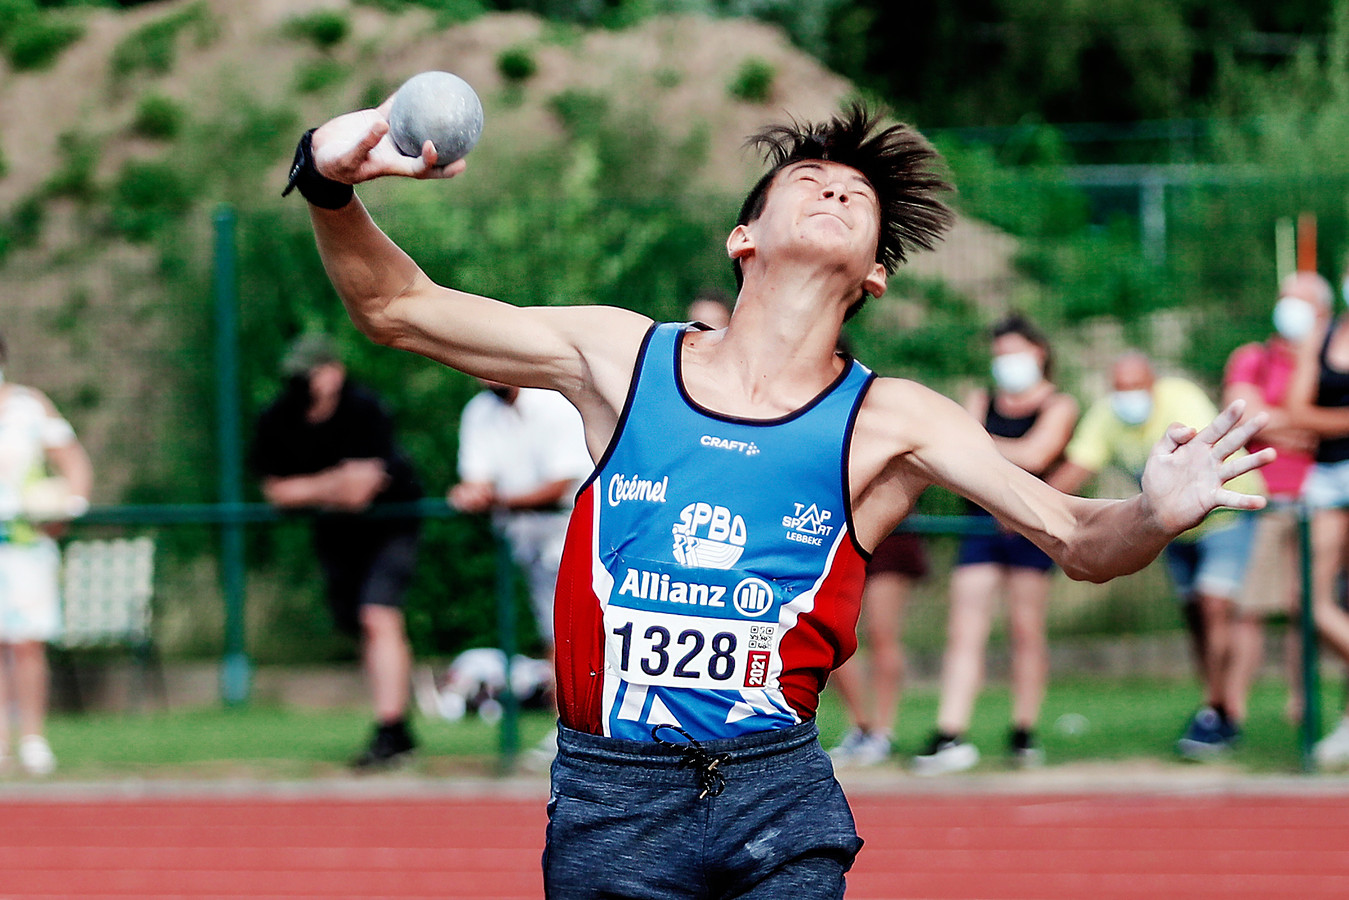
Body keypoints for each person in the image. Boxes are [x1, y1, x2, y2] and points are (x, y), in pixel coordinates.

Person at [287, 99, 1271, 896]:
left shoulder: (893, 420)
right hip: (611, 794)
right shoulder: (624, 358)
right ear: (743, 235)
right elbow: (398, 310)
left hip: (775, 797)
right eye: (807, 178)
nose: (835, 187)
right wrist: (328, 182)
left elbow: (1076, 536)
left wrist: (1151, 511)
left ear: (875, 273)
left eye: (856, 193)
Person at [1051, 351, 1265, 759]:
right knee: (1196, 618)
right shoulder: (1107, 416)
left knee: (1214, 604)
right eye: (1120, 389)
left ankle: (1219, 708)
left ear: (1153, 384)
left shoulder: (1180, 398)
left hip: (1223, 517)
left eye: (1136, 388)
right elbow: (1079, 465)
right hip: (1176, 529)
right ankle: (1217, 707)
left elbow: (1197, 454)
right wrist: (1024, 509)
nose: (1127, 396)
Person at [912, 313, 1079, 775]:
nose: (1005, 361)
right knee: (964, 629)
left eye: (1014, 352)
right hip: (982, 526)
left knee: (1026, 629)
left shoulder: (1058, 404)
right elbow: (957, 458)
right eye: (999, 353)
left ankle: (1024, 731)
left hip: (1031, 530)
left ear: (1038, 353)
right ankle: (950, 732)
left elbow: (1037, 455)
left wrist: (980, 448)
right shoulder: (981, 398)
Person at [250, 333, 424, 770]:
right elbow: (276, 491)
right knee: (361, 626)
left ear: (333, 372)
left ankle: (390, 727)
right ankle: (399, 722)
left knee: (378, 615)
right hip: (338, 536)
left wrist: (310, 488)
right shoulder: (279, 416)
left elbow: (361, 491)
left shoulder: (363, 409)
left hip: (390, 525)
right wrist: (333, 483)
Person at [447, 378, 592, 763]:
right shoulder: (479, 411)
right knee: (554, 633)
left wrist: (496, 498)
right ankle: (569, 730)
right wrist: (471, 493)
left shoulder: (553, 404)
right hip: (530, 540)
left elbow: (563, 482)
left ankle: (586, 731)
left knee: (587, 632)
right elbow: (474, 478)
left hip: (577, 533)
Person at [1222, 272, 1327, 727]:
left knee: (1308, 608)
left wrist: (1297, 425)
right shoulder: (1253, 358)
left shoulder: (1329, 358)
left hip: (1320, 502)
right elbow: (1247, 417)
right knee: (1249, 610)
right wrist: (1304, 427)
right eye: (1285, 297)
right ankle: (1229, 715)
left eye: (1300, 300)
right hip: (1264, 501)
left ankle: (1304, 709)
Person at [0, 332, 93, 776]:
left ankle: (32, 739)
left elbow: (74, 463)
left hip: (25, 543)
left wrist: (67, 508)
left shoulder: (30, 408)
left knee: (25, 642)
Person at [1281, 259, 1349, 767]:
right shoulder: (1323, 336)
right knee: (1308, 596)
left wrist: (1323, 422)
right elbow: (1295, 409)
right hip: (1326, 478)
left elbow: (1308, 416)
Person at [825, 530, 928, 767]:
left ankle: (882, 733)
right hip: (839, 533)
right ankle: (862, 727)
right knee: (834, 632)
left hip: (889, 535)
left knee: (881, 632)